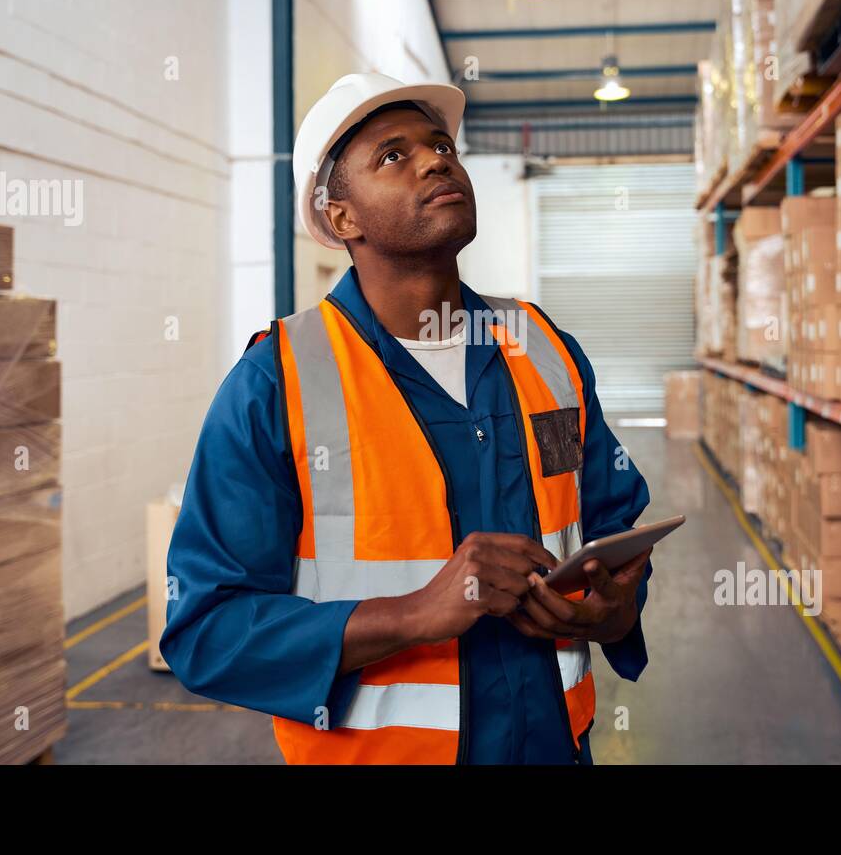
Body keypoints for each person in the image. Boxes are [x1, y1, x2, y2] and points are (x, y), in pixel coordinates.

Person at [161, 72, 652, 764]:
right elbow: (206, 628)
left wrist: (615, 610)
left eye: (442, 144)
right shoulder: (277, 384)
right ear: (342, 218)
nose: (435, 159)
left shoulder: (545, 351)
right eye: (393, 155)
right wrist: (416, 612)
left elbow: (616, 528)